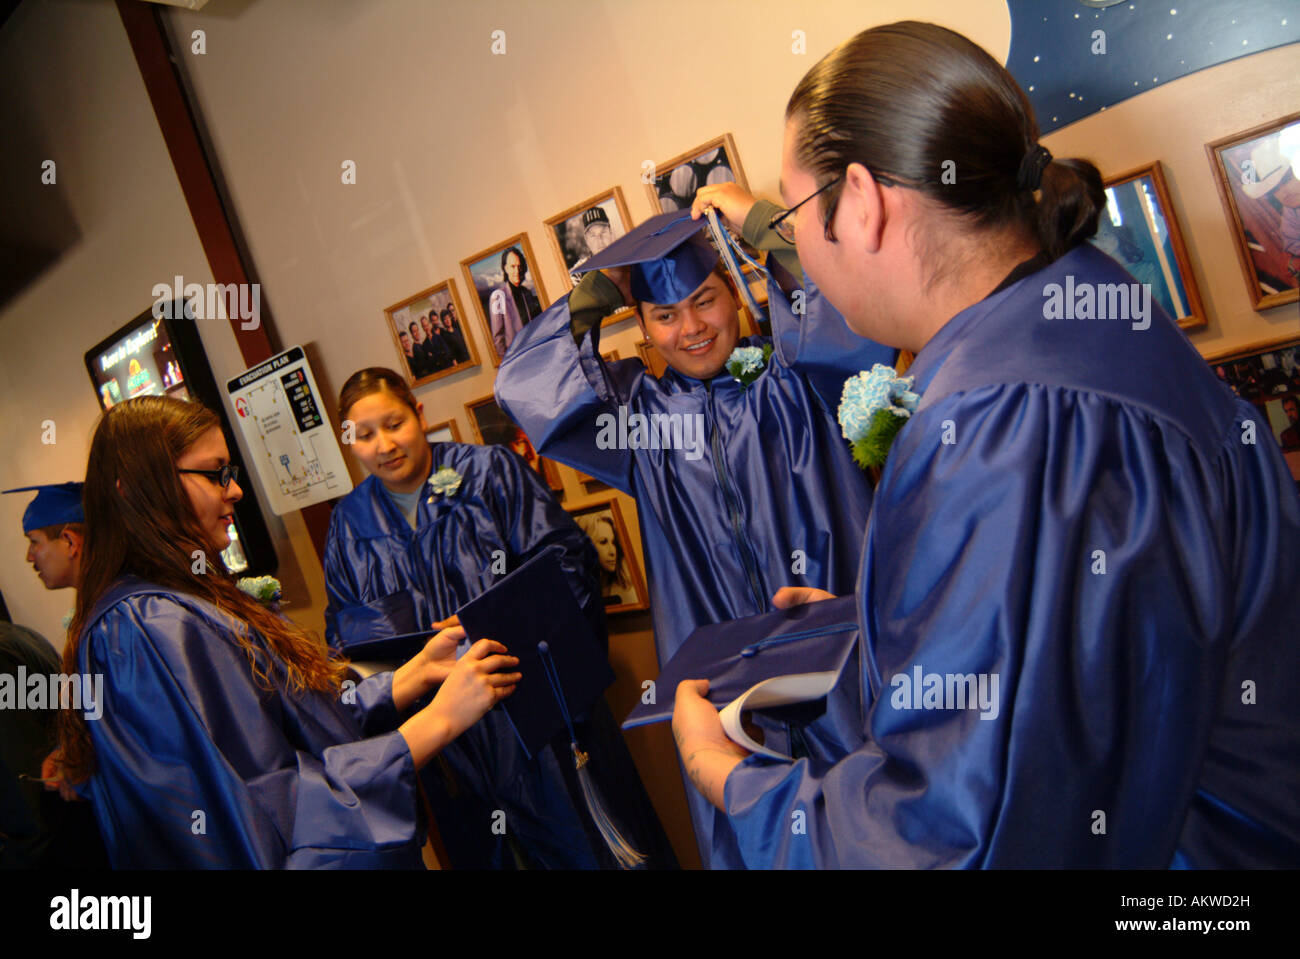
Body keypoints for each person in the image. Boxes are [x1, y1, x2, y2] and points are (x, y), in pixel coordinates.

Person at [670, 21, 1300, 868]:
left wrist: (729, 778)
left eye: (791, 213)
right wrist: (886, 614)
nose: (799, 254)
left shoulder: (1004, 420)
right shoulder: (1080, 304)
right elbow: (1088, 626)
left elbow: (957, 837)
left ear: (860, 200)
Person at [495, 187, 894, 867]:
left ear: (736, 295)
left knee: (876, 821)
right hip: (723, 697)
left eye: (705, 300)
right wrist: (599, 290)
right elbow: (527, 382)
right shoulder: (641, 426)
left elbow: (855, 309)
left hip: (845, 666)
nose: (692, 328)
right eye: (664, 314)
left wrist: (763, 225)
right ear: (643, 328)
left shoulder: (800, 381)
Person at [56, 395, 519, 868]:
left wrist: (416, 673)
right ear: (138, 489)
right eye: (215, 474)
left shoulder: (184, 599)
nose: (235, 490)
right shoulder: (148, 628)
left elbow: (295, 727)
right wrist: (437, 720)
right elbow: (273, 812)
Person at [323, 367, 676, 869]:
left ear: (419, 415)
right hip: (446, 746)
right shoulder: (347, 526)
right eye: (364, 435)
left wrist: (495, 623)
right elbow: (345, 639)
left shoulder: (490, 473)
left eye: (394, 423)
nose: (384, 445)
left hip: (536, 719)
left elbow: (567, 569)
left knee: (590, 852)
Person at [489, 246, 542, 358]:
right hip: (516, 359)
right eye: (512, 266)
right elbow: (498, 338)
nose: (516, 271)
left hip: (535, 353)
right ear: (505, 268)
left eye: (519, 266)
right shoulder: (498, 297)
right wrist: (508, 362)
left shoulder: (526, 292)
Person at [573, 512, 635, 608]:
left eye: (613, 542)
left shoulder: (626, 590)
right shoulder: (576, 591)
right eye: (603, 542)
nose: (612, 552)